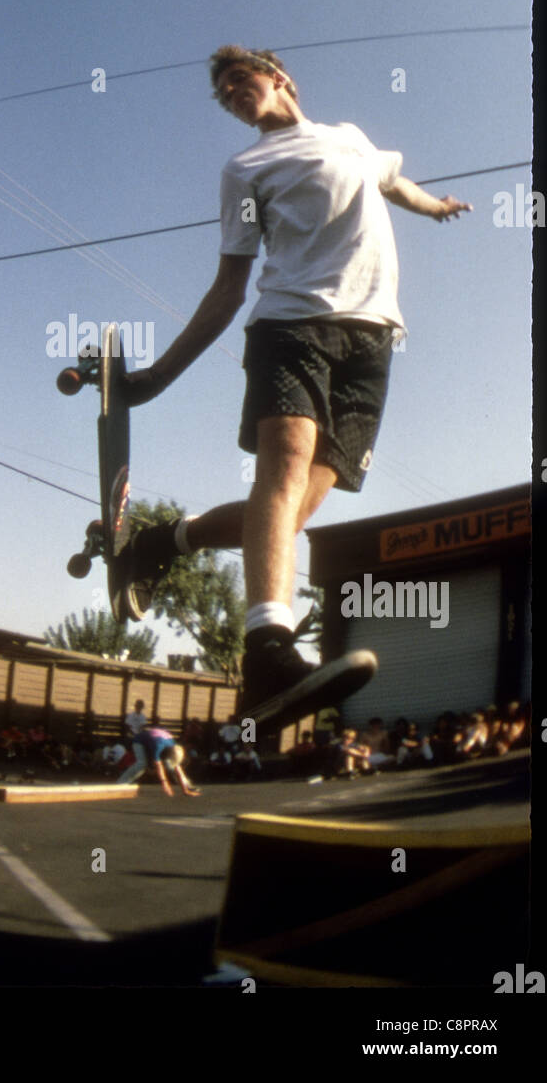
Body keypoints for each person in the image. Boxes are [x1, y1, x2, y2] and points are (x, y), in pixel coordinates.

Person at [116, 46, 471, 727]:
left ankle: (164, 542)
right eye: (223, 95)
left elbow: (394, 183)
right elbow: (229, 283)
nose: (231, 95)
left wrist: (434, 208)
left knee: (288, 514)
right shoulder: (244, 168)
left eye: (238, 81)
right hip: (291, 327)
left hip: (372, 341)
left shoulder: (348, 139)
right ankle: (268, 653)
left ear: (278, 78)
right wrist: (160, 374)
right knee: (278, 478)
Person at [116, 720, 201, 796]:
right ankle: (121, 783)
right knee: (142, 763)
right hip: (139, 741)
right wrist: (165, 783)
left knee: (173, 766)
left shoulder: (173, 746)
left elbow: (178, 769)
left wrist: (185, 790)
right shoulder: (158, 746)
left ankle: (187, 785)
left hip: (154, 739)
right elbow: (159, 766)